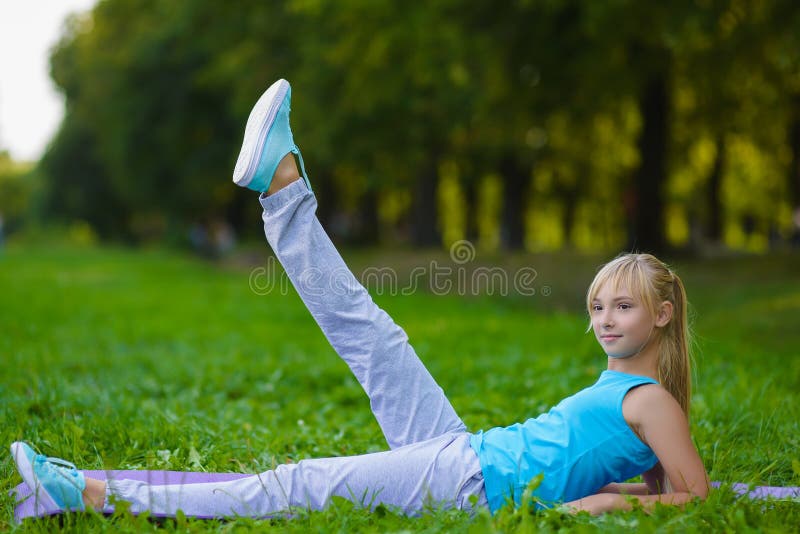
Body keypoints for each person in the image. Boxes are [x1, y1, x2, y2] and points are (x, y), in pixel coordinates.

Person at [10, 79, 709, 520]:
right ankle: (282, 186)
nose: (605, 319)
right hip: (466, 454)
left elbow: (695, 494)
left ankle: (91, 495)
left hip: (473, 482)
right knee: (374, 337)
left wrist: (594, 508)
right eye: (598, 306)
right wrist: (618, 499)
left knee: (293, 486)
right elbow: (646, 482)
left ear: (663, 315)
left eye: (623, 307)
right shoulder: (626, 391)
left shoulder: (651, 398)